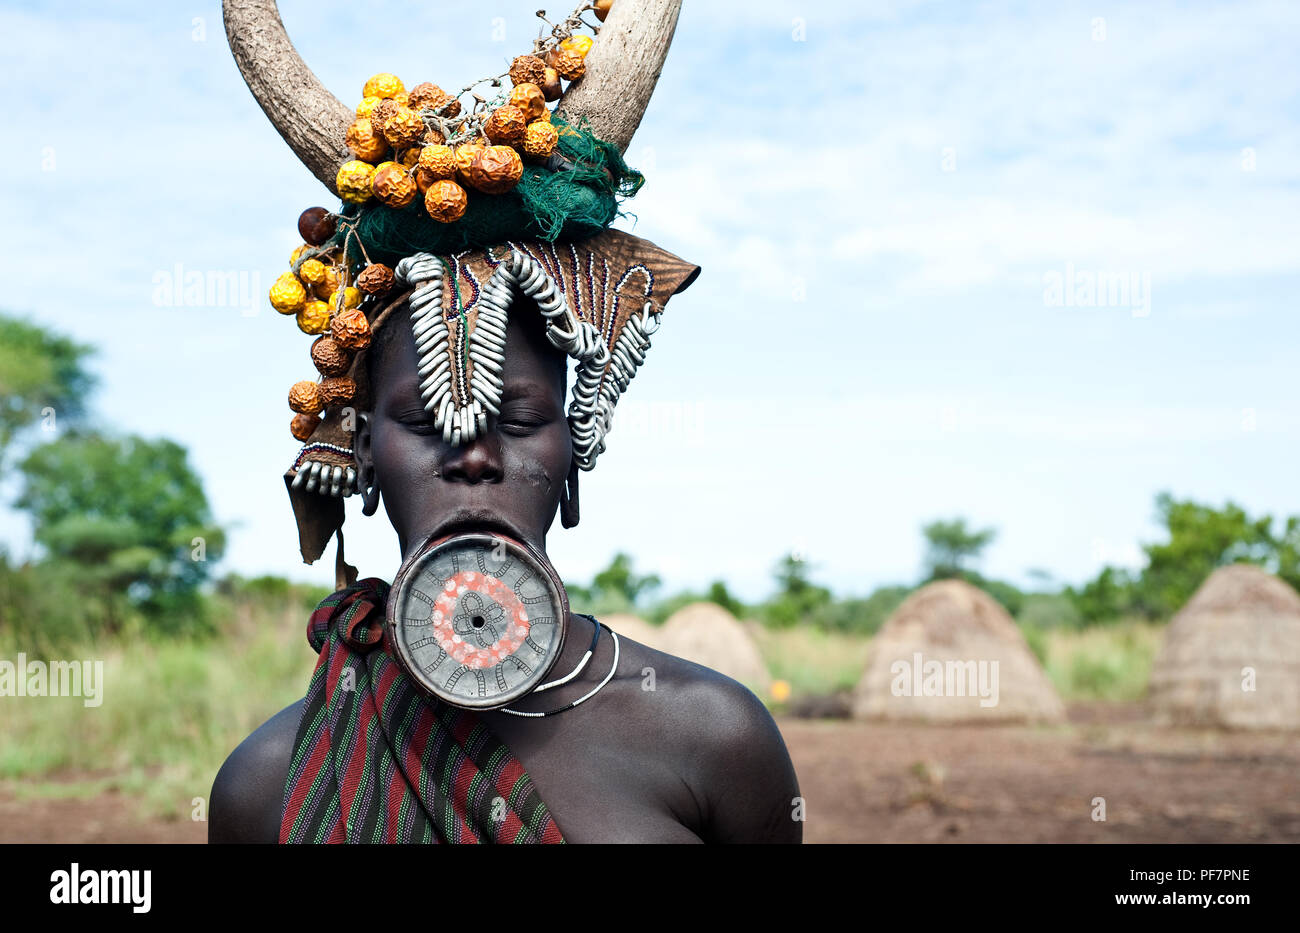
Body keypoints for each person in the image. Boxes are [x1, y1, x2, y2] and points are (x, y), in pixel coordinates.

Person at [211, 0, 801, 843]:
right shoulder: (263, 788)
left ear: (573, 453)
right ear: (365, 455)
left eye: (520, 418)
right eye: (425, 421)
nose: (476, 456)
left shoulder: (714, 738)